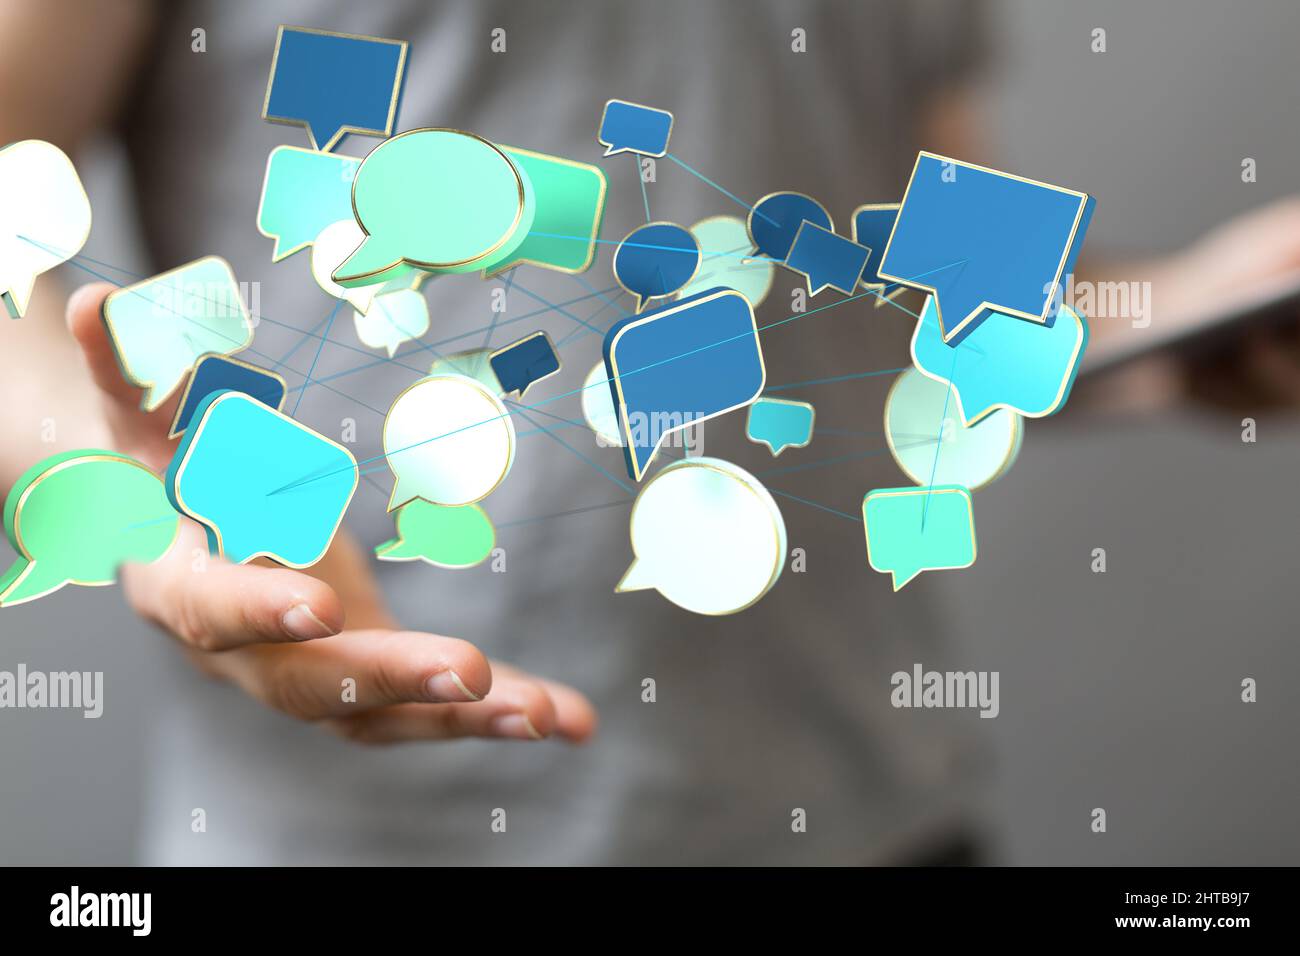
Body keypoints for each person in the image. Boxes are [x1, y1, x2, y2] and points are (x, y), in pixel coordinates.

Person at [2, 0, 1298, 865]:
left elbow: (899, 253)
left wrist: (1180, 316)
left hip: (873, 819)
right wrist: (132, 499)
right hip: (366, 843)